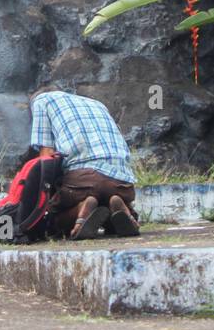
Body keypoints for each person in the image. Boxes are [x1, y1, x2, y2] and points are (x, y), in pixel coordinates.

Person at [28, 86, 140, 240]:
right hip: (122, 183)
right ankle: (122, 209)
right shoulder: (97, 104)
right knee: (106, 204)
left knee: (54, 217)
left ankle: (82, 208)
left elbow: (46, 157)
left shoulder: (42, 100)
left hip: (82, 182)